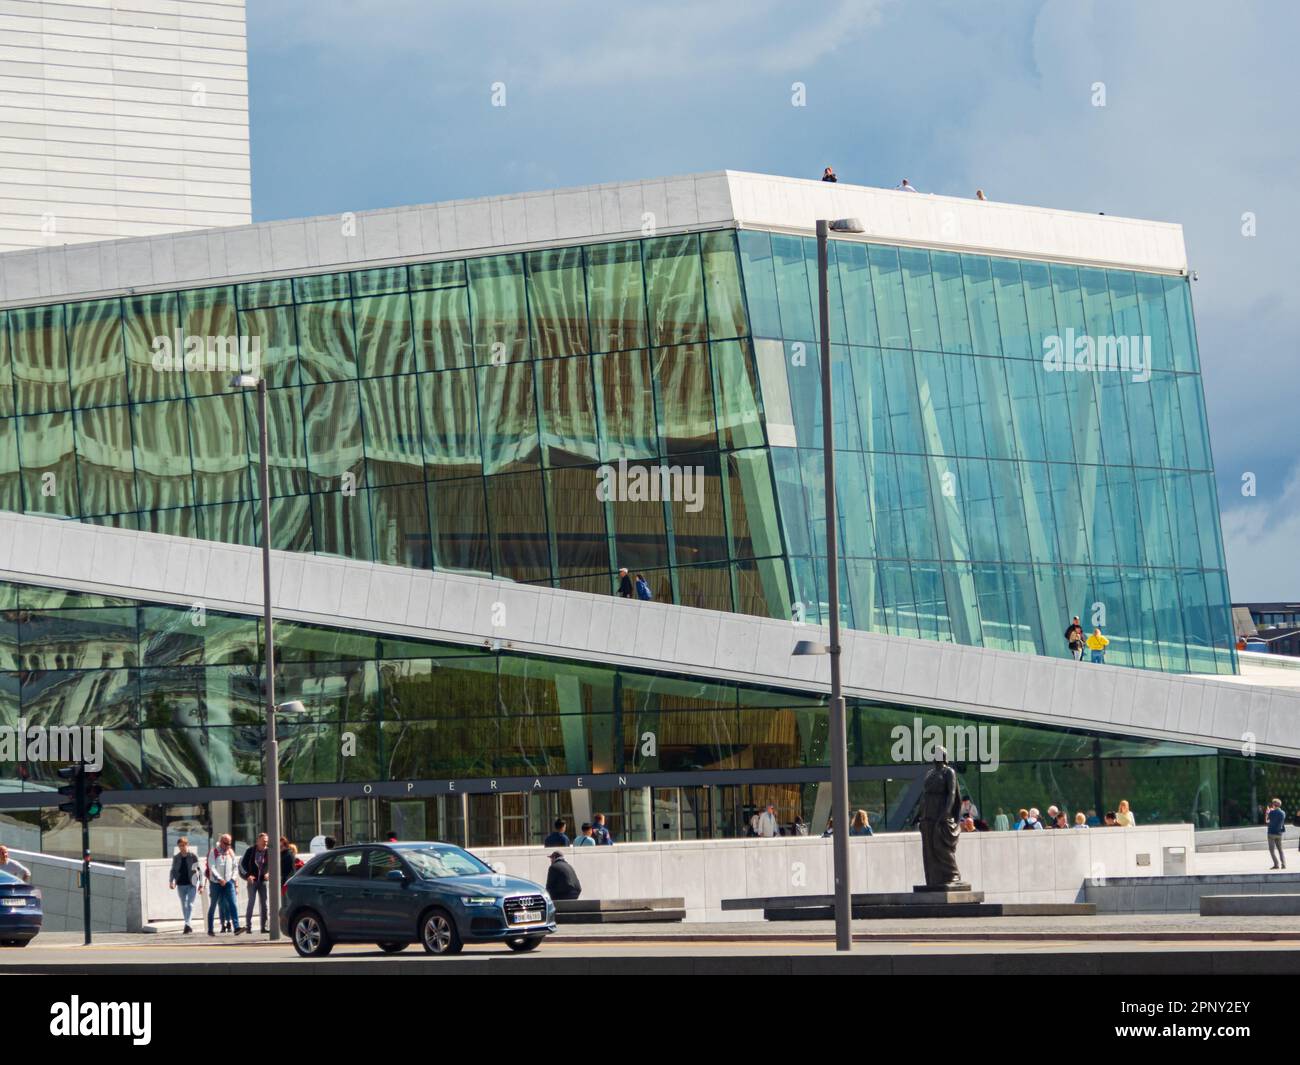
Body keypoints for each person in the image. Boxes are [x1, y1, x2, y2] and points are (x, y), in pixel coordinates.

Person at [207, 834, 242, 936]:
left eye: (229, 844)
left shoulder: (230, 852)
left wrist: (233, 879)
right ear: (221, 842)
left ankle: (236, 927)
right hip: (216, 883)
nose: (228, 846)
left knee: (233, 904)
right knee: (213, 905)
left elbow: (235, 867)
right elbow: (212, 867)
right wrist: (219, 878)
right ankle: (210, 929)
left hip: (228, 882)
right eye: (226, 843)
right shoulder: (214, 852)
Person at [239, 832, 271, 934]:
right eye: (263, 841)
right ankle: (248, 926)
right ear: (258, 841)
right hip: (252, 881)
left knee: (264, 904)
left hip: (263, 881)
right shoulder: (250, 851)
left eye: (266, 841)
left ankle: (264, 927)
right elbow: (242, 865)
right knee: (251, 902)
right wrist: (248, 876)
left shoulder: (269, 851)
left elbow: (275, 865)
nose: (265, 843)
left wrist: (269, 873)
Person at [168, 837, 201, 934]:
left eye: (184, 845)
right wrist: (171, 881)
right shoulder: (176, 857)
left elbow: (199, 870)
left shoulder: (193, 856)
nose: (182, 847)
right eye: (180, 846)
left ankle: (187, 924)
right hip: (181, 884)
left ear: (187, 845)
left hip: (192, 883)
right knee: (184, 904)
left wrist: (201, 884)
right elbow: (173, 870)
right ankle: (188, 924)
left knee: (190, 904)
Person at [1267, 798, 1287, 869]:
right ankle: (1283, 864)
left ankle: (1276, 864)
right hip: (1279, 833)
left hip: (1271, 833)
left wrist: (1268, 812)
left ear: (1273, 805)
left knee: (1271, 850)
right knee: (1280, 850)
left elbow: (1267, 821)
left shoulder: (1271, 813)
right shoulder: (1283, 812)